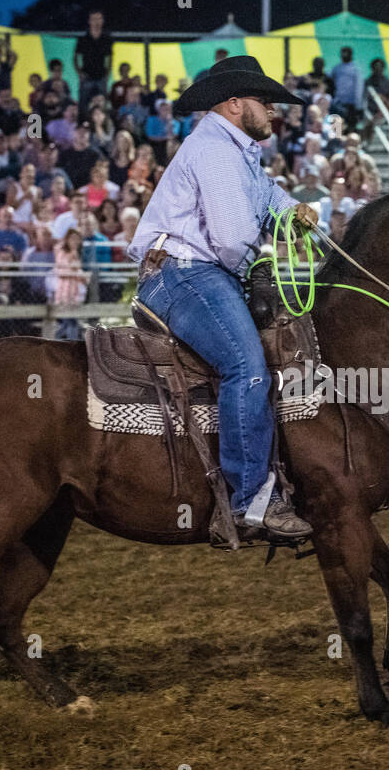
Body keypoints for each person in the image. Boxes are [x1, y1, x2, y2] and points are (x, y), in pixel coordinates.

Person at [126, 55, 317, 541]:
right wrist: (261, 260)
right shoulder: (215, 151)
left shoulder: (235, 152)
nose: (274, 111)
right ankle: (252, 500)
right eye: (265, 102)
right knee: (246, 365)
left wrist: (295, 212)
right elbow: (232, 239)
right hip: (186, 274)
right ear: (235, 104)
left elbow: (267, 196)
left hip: (196, 273)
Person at [74, 10, 113, 110]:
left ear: (102, 21)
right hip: (87, 76)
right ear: (89, 21)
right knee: (83, 104)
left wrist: (107, 75)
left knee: (102, 104)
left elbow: (109, 58)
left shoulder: (106, 39)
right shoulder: (83, 39)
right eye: (94, 19)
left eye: (99, 19)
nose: (96, 22)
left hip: (101, 77)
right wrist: (80, 73)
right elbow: (76, 57)